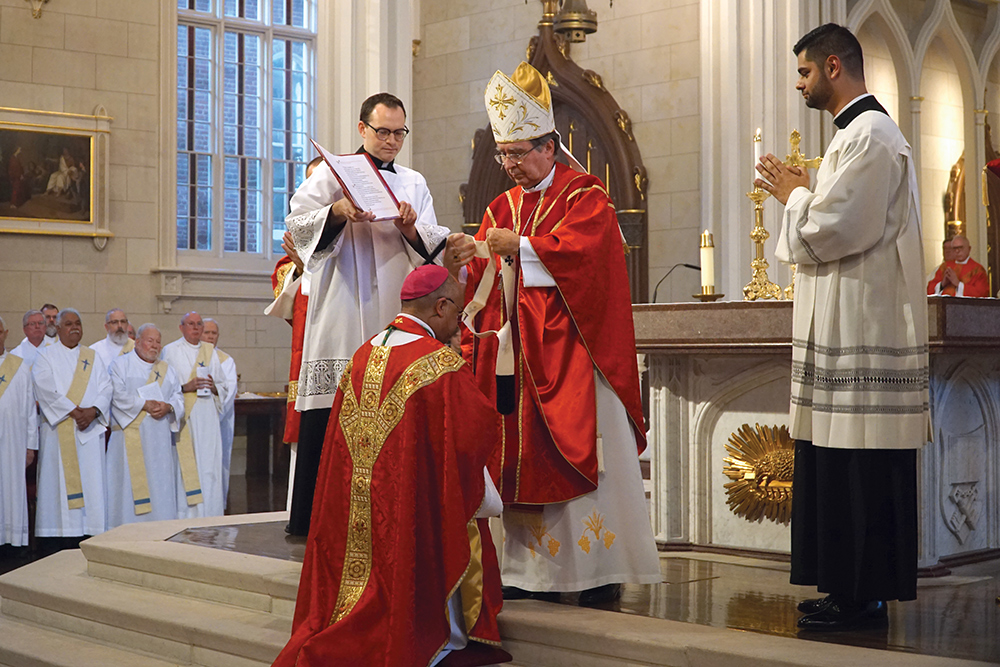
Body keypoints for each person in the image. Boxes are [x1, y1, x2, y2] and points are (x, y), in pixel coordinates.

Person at [444, 62, 661, 606]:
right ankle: (529, 575)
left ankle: (596, 571)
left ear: (548, 145)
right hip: (519, 361)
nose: (510, 166)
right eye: (504, 155)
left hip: (576, 361)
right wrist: (470, 256)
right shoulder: (501, 206)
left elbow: (591, 263)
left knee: (590, 460)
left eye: (518, 154)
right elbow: (487, 284)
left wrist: (521, 248)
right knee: (517, 463)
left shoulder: (585, 196)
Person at [754, 23, 928, 630]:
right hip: (842, 317)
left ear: (833, 66)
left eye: (803, 72)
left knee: (862, 463)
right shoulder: (853, 136)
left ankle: (864, 595)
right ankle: (846, 589)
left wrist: (793, 197)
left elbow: (836, 228)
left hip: (864, 323)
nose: (798, 84)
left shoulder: (872, 135)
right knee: (839, 459)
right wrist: (805, 192)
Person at [273, 265, 510, 667]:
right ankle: (443, 634)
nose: (459, 321)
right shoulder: (440, 364)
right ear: (440, 306)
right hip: (410, 504)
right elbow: (473, 435)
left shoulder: (363, 354)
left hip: (358, 504)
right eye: (457, 311)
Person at [283, 92, 449, 536]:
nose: (392, 140)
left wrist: (411, 228)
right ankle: (318, 522)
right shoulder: (332, 174)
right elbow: (296, 226)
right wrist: (337, 212)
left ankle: (389, 517)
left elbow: (436, 247)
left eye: (399, 132)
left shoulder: (413, 181)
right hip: (341, 304)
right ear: (362, 129)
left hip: (393, 310)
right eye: (383, 132)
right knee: (334, 409)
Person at [32, 309, 113, 545]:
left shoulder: (93, 356)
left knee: (91, 482)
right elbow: (44, 388)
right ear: (57, 329)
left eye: (78, 323)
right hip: (59, 432)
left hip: (89, 431)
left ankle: (91, 530)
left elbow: (106, 388)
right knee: (57, 485)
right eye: (68, 324)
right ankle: (57, 536)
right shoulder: (45, 356)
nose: (74, 327)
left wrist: (93, 411)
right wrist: (76, 412)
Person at [106, 324, 183, 528]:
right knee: (127, 488)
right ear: (137, 341)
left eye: (158, 341)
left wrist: (169, 407)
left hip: (158, 441)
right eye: (150, 340)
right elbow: (116, 394)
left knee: (158, 486)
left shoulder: (167, 370)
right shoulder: (119, 365)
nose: (155, 345)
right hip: (128, 439)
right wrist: (144, 404)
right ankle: (124, 531)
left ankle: (160, 530)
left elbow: (179, 397)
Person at [161, 311, 230, 518]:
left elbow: (223, 384)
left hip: (208, 416)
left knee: (209, 466)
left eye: (199, 324)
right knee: (187, 466)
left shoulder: (210, 351)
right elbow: (164, 386)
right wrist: (186, 386)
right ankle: (186, 515)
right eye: (191, 324)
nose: (196, 328)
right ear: (181, 327)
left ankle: (211, 513)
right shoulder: (170, 351)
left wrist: (215, 387)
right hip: (185, 418)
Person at [0, 316, 38, 549]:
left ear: (5, 333)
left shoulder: (19, 366)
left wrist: (30, 446)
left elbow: (30, 410)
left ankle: (12, 542)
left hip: (14, 443)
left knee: (11, 488)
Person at [201, 318, 237, 503]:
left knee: (217, 464)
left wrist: (213, 415)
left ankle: (217, 504)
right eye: (206, 332)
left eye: (213, 333)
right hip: (195, 423)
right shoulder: (192, 357)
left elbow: (228, 393)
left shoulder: (226, 361)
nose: (210, 336)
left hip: (217, 422)